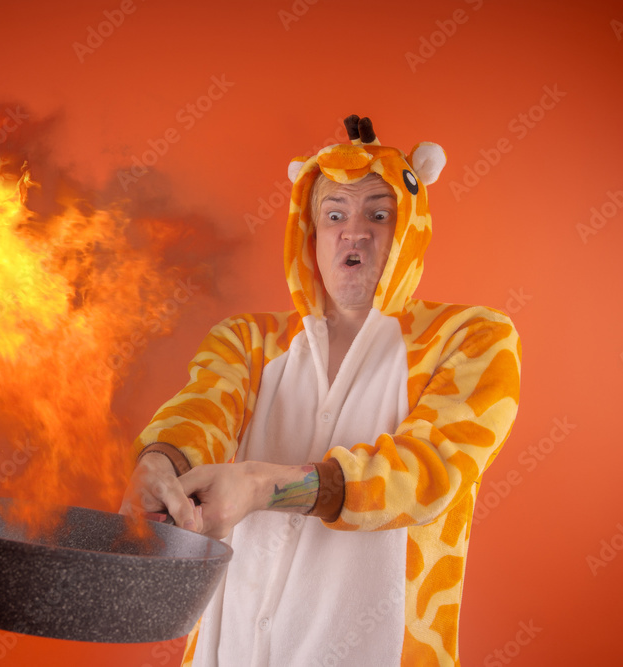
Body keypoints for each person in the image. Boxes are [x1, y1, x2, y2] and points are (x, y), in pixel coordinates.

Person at [120, 115, 521, 666]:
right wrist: (160, 465)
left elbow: (427, 474)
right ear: (309, 235)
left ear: (408, 229)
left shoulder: (472, 339)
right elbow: (202, 409)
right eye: (334, 214)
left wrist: (263, 485)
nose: (353, 231)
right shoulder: (248, 340)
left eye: (378, 214)